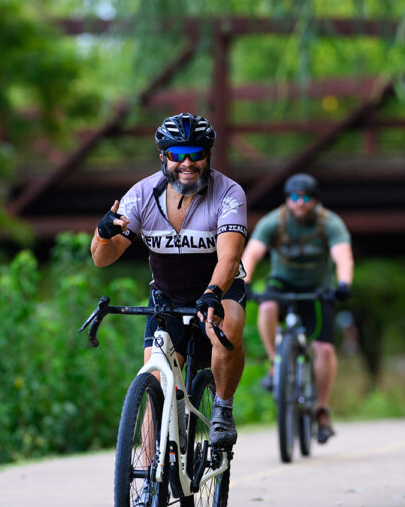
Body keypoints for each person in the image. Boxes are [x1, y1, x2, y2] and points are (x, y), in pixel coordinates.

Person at [90, 112, 248, 447]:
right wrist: (103, 233)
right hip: (167, 297)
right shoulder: (142, 194)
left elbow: (229, 258)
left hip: (218, 289)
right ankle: (149, 485)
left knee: (227, 327)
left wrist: (212, 294)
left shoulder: (228, 193)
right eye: (177, 155)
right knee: (157, 384)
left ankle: (222, 408)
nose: (187, 163)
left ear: (209, 155)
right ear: (164, 157)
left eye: (196, 153)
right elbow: (102, 258)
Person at [240, 173, 353, 444]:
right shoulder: (274, 222)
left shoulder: (329, 222)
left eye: (305, 198)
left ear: (314, 201)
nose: (299, 203)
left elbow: (342, 255)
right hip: (283, 282)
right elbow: (253, 251)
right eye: (293, 198)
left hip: (317, 289)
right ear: (287, 200)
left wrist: (344, 282)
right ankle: (274, 363)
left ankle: (322, 409)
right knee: (266, 306)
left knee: (324, 349)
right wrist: (243, 280)